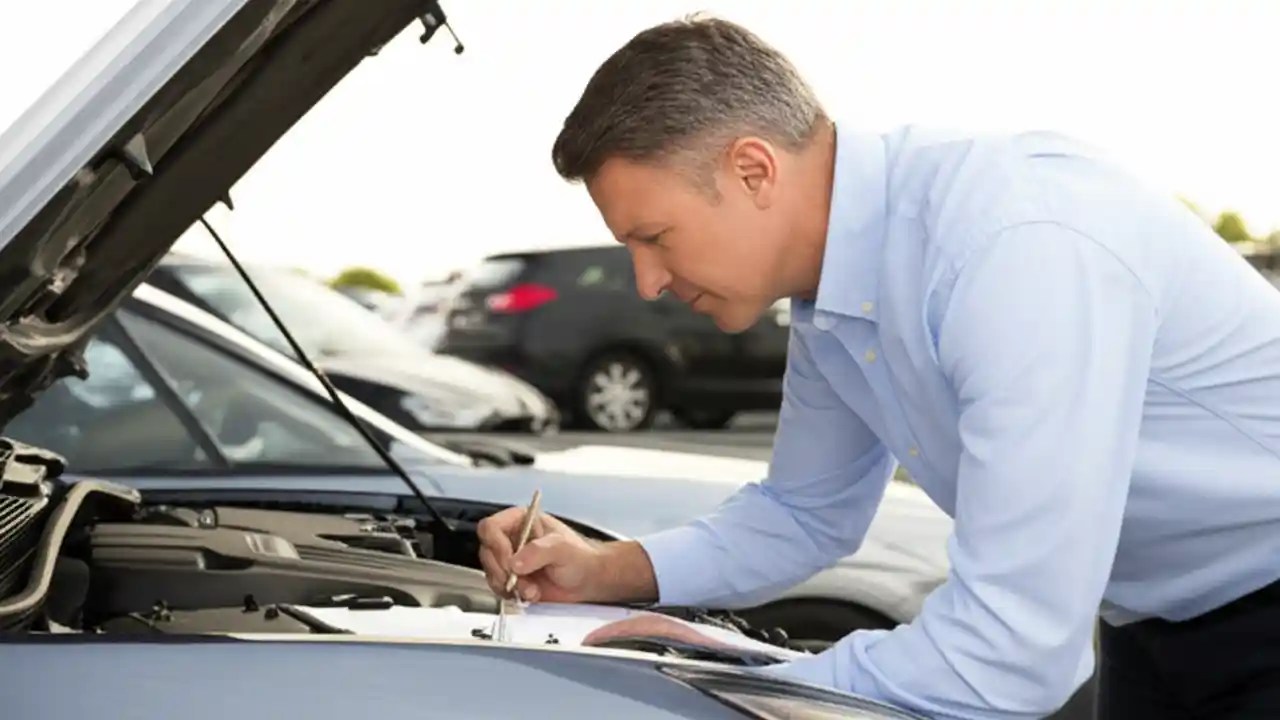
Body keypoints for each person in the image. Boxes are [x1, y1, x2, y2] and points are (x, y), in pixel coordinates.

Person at [477, 14, 1280, 719]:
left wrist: (741, 684)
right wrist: (604, 570)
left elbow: (1008, 656)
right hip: (1152, 627)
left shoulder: (1014, 246)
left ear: (753, 170)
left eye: (653, 237)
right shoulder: (832, 298)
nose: (648, 281)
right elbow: (805, 513)